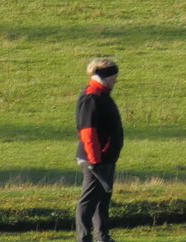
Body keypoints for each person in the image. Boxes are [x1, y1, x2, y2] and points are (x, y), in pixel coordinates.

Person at [74, 57, 124, 242]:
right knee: (88, 202)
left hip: (105, 159)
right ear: (106, 77)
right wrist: (96, 161)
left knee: (102, 201)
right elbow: (88, 133)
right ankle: (84, 238)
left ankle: (103, 237)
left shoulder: (102, 95)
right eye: (114, 77)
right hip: (95, 161)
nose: (116, 80)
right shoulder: (91, 98)